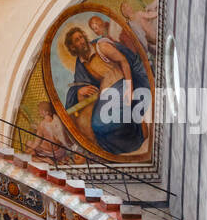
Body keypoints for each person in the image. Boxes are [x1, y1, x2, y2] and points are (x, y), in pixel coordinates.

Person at [63, 24, 149, 155]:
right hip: (106, 95)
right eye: (77, 40)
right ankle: (123, 150)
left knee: (106, 122)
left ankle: (137, 139)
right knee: (97, 126)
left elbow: (124, 61)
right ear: (73, 47)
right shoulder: (80, 63)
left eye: (81, 37)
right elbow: (78, 84)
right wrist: (80, 90)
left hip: (120, 84)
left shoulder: (100, 47)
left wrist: (129, 87)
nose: (81, 41)